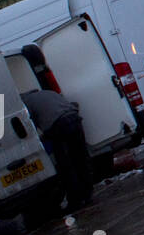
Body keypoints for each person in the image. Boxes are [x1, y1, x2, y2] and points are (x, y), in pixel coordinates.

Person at [19, 47, 92, 212]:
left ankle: (75, 201)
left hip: (59, 126)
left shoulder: (27, 104)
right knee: (81, 158)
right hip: (74, 119)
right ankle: (87, 193)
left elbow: (29, 125)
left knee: (66, 165)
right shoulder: (46, 93)